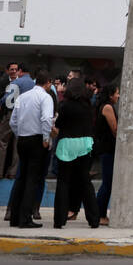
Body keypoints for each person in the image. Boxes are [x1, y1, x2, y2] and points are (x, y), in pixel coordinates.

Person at [5, 67, 53, 229]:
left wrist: (20, 134)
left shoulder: (23, 97)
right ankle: (25, 218)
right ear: (47, 83)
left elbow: (13, 121)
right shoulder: (45, 97)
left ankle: (15, 217)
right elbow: (46, 118)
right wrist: (46, 138)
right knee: (32, 179)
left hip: (23, 139)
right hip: (37, 139)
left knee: (21, 178)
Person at [52, 79, 100, 229]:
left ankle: (59, 220)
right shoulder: (88, 105)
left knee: (63, 182)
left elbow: (59, 124)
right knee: (85, 182)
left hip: (67, 144)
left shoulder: (64, 105)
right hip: (85, 144)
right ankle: (94, 219)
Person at [0, 61, 20, 179]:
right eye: (12, 69)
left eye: (16, 69)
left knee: (16, 145)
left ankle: (13, 172)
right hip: (6, 115)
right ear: (7, 71)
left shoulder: (21, 82)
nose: (14, 71)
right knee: (2, 143)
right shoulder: (4, 81)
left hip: (18, 114)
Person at [92, 83, 119, 225]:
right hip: (107, 149)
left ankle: (100, 212)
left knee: (108, 183)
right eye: (117, 93)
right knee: (107, 183)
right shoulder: (108, 107)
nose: (118, 96)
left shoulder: (105, 106)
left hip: (107, 148)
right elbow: (115, 129)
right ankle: (99, 213)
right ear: (110, 94)